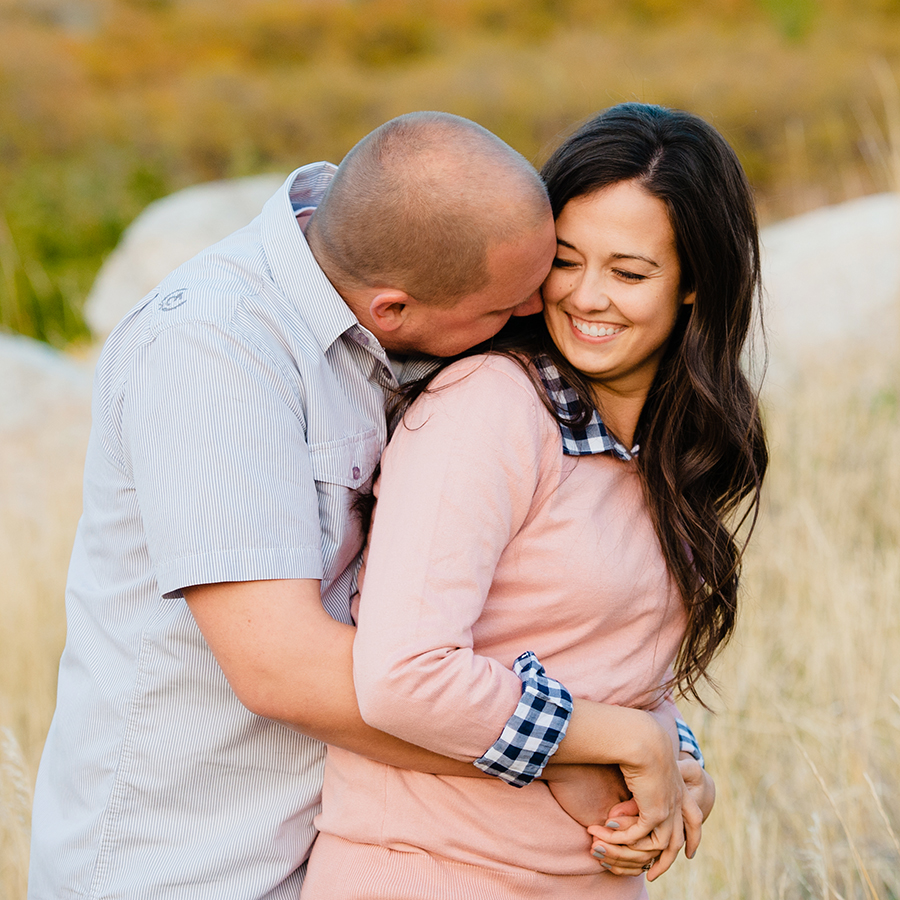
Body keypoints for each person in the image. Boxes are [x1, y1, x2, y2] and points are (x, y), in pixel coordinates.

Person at [27, 111, 705, 899]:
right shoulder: (210, 351)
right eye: (501, 309)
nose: (532, 315)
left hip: (342, 839)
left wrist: (664, 746)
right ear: (391, 309)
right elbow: (281, 669)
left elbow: (512, 613)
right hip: (188, 858)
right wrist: (578, 750)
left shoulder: (403, 239)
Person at [301, 102, 767, 899]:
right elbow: (404, 675)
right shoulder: (491, 409)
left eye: (629, 272)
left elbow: (597, 661)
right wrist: (623, 737)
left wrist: (674, 759)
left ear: (696, 285)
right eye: (566, 260)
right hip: (431, 872)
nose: (587, 298)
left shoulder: (664, 447)